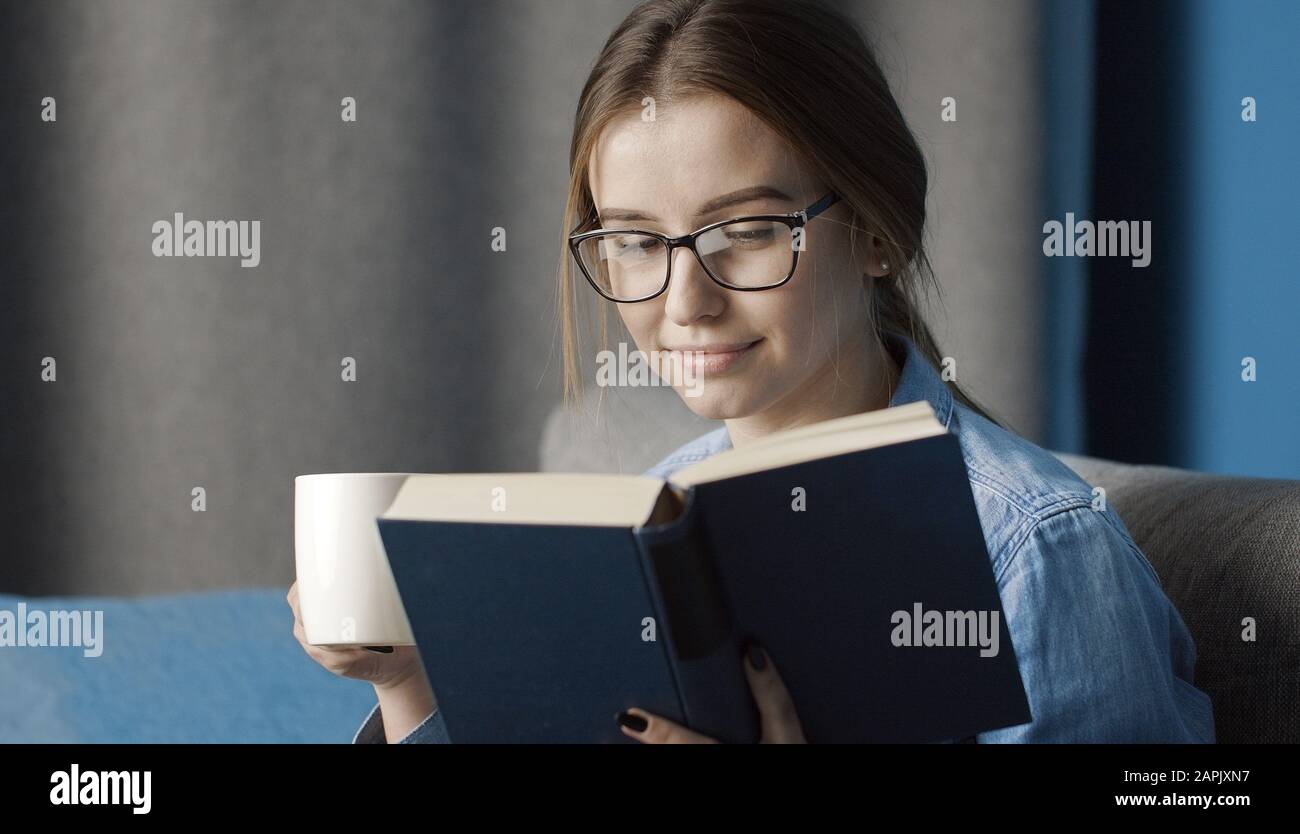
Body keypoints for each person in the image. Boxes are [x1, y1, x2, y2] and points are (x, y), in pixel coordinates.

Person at [288, 0, 1214, 744]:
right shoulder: (649, 521)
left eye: (747, 231)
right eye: (636, 243)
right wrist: (410, 681)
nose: (683, 301)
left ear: (879, 231)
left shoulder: (1033, 554)